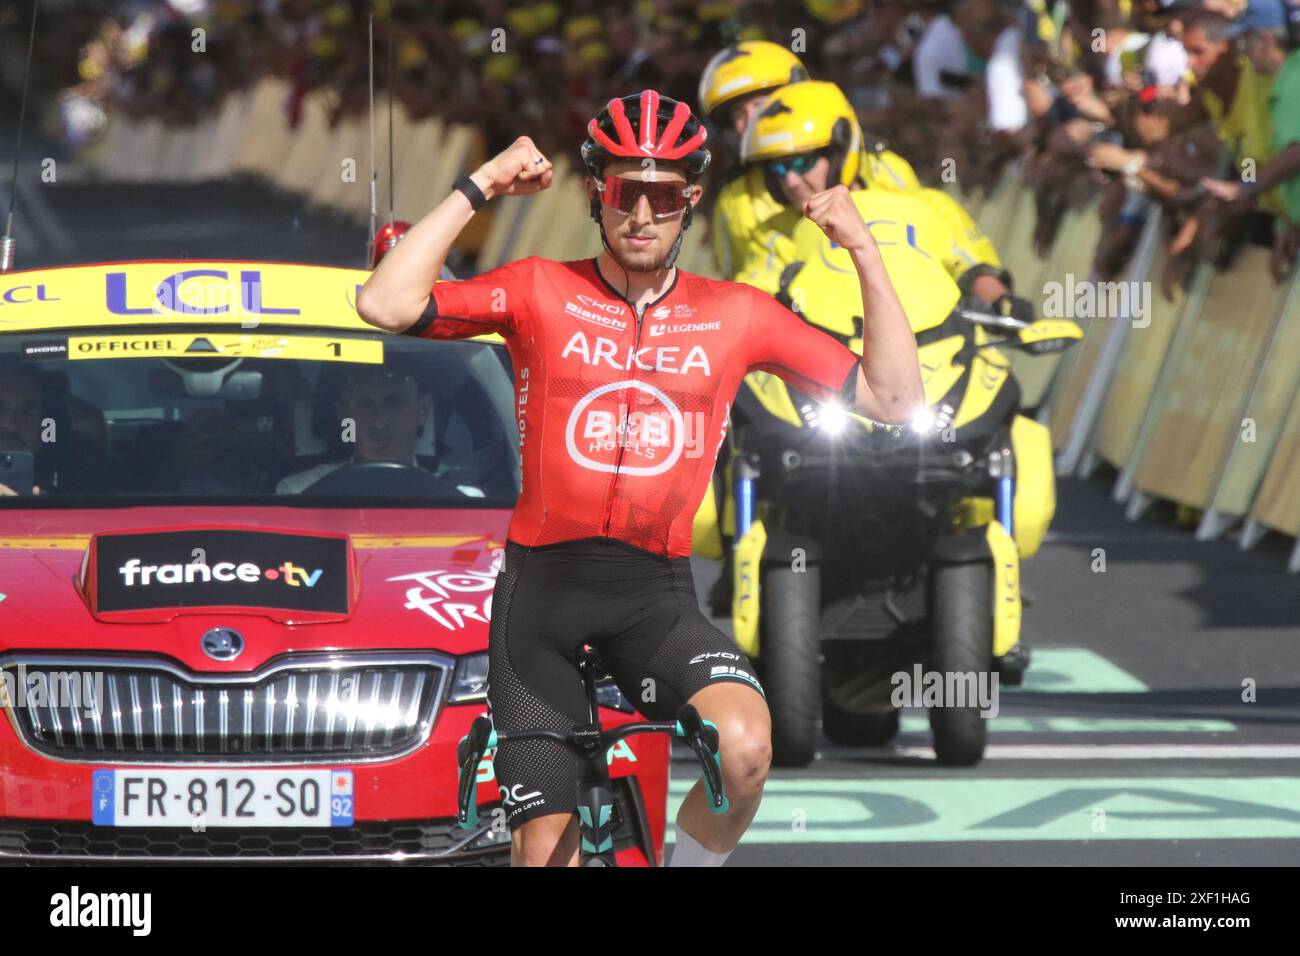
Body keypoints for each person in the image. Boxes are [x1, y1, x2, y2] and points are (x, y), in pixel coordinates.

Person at [356, 89, 923, 866]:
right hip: (540, 603)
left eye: (664, 195)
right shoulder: (536, 289)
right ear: (598, 195)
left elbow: (894, 398)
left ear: (690, 200)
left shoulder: (737, 313)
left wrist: (863, 251)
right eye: (626, 192)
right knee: (545, 850)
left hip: (652, 597)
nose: (642, 215)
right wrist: (482, 180)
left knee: (746, 749)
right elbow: (385, 303)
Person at [698, 40, 920, 284]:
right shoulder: (735, 202)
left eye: (763, 105)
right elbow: (745, 284)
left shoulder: (886, 166)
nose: (753, 121)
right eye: (739, 114)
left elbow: (925, 236)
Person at [1201, 0, 1300, 277]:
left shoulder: (1294, 78)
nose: (1245, 55)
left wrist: (1245, 188)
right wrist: (1289, 225)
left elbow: (1296, 152)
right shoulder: (1284, 78)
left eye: (1246, 45)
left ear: (1265, 40)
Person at [276, 360, 435, 494]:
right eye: (364, 405)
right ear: (343, 417)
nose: (379, 422)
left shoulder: (453, 495)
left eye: (393, 402)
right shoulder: (301, 493)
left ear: (423, 409)